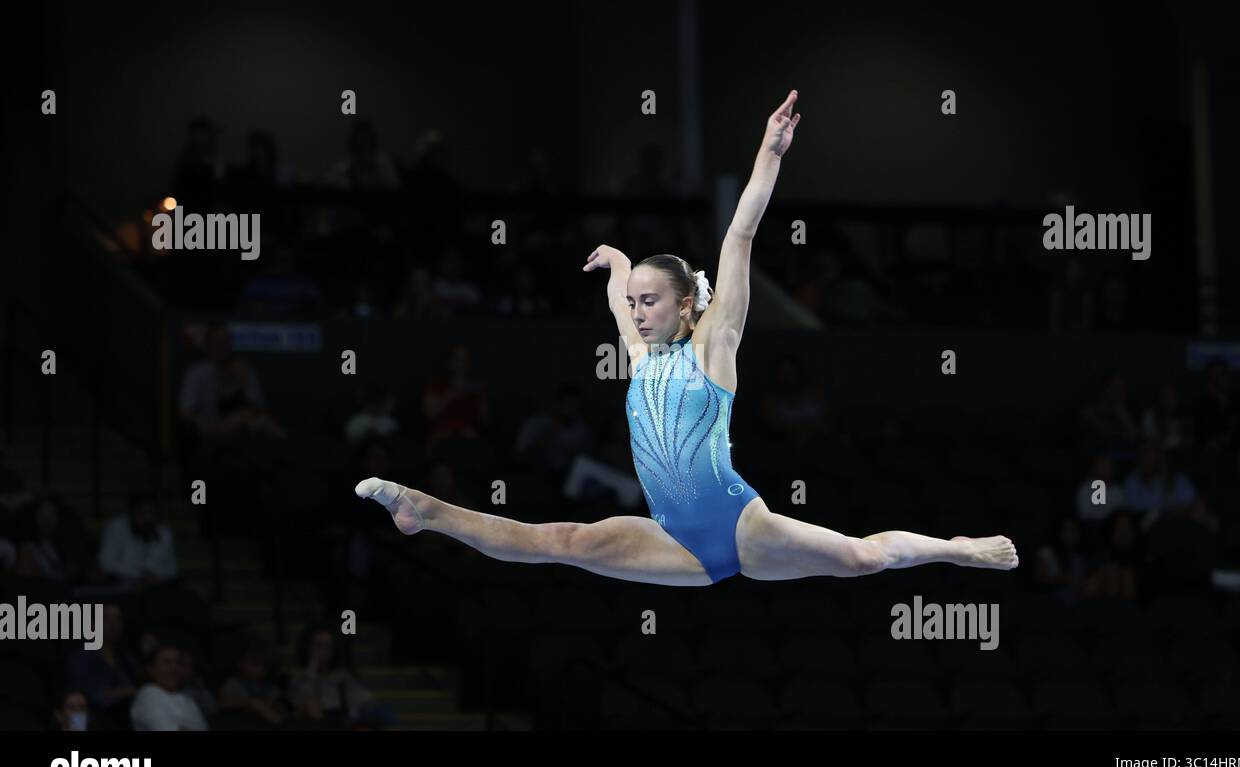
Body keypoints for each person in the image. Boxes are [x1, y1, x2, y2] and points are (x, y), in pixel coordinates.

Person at [356, 90, 1017, 586]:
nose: (637, 314)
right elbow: (620, 301)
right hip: (673, 538)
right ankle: (424, 509)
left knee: (861, 556)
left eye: (651, 302)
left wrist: (768, 153)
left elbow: (740, 235)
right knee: (559, 538)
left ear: (686, 306)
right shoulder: (641, 352)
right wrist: (618, 266)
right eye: (635, 304)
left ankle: (956, 545)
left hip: (740, 525)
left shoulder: (714, 345)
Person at [130, 644, 209, 731]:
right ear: (151, 669)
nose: (173, 668)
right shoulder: (148, 695)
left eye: (178, 662)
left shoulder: (187, 699)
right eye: (166, 662)